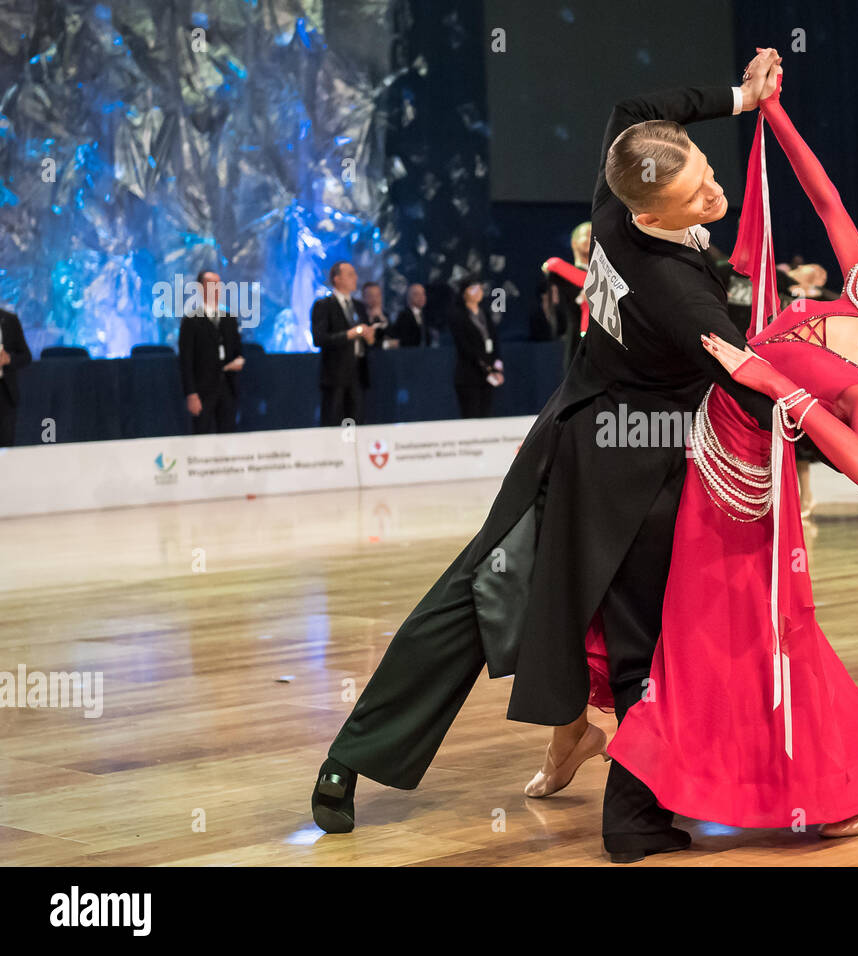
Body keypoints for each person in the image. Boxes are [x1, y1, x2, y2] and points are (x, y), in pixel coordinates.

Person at [311, 50, 790, 863]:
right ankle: (627, 820)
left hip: (570, 429)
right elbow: (754, 383)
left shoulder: (616, 187)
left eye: (706, 170)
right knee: (571, 623)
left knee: (486, 593)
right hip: (629, 472)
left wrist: (741, 97)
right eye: (693, 196)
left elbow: (637, 98)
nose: (714, 191)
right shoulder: (682, 296)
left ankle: (368, 760)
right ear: (654, 213)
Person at [527, 69, 858, 838]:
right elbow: (827, 202)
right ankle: (580, 740)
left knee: (729, 640)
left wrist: (778, 389)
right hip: (700, 420)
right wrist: (772, 110)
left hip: (738, 476)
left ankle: (838, 785)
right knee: (619, 593)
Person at [178, 269, 245, 434]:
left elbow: (238, 349)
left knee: (228, 433)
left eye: (218, 284)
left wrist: (239, 361)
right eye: (211, 284)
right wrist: (191, 394)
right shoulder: (191, 321)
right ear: (201, 288)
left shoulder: (229, 319)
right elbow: (186, 361)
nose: (216, 288)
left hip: (227, 387)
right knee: (202, 433)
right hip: (203, 389)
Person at [311, 262, 374, 426]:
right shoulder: (323, 306)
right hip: (335, 375)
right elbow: (319, 339)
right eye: (350, 274)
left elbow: (369, 341)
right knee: (334, 421)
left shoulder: (359, 307)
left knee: (356, 422)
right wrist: (350, 334)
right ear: (337, 279)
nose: (355, 278)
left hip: (358, 373)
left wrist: (369, 337)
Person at [447, 277, 503, 418]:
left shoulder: (485, 314)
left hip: (488, 377)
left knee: (486, 413)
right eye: (473, 288)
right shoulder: (458, 316)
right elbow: (465, 346)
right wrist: (486, 367)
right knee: (471, 414)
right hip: (469, 376)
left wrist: (496, 366)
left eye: (479, 288)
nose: (478, 291)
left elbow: (494, 340)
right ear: (463, 293)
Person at [540, 222, 591, 367]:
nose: (592, 238)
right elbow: (552, 264)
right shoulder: (559, 275)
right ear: (574, 243)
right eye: (587, 235)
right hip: (576, 342)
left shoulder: (608, 276)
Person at [0, 306, 32, 446]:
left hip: (5, 392)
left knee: (6, 444)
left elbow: (26, 356)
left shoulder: (9, 320)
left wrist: (9, 359)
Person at [390, 283, 437, 348]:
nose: (421, 297)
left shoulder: (428, 315)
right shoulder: (403, 316)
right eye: (417, 294)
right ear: (408, 297)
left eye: (423, 293)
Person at [360, 281, 391, 348]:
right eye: (370, 296)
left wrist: (381, 317)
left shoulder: (385, 316)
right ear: (363, 297)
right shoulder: (359, 316)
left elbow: (391, 336)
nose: (375, 299)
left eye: (378, 295)